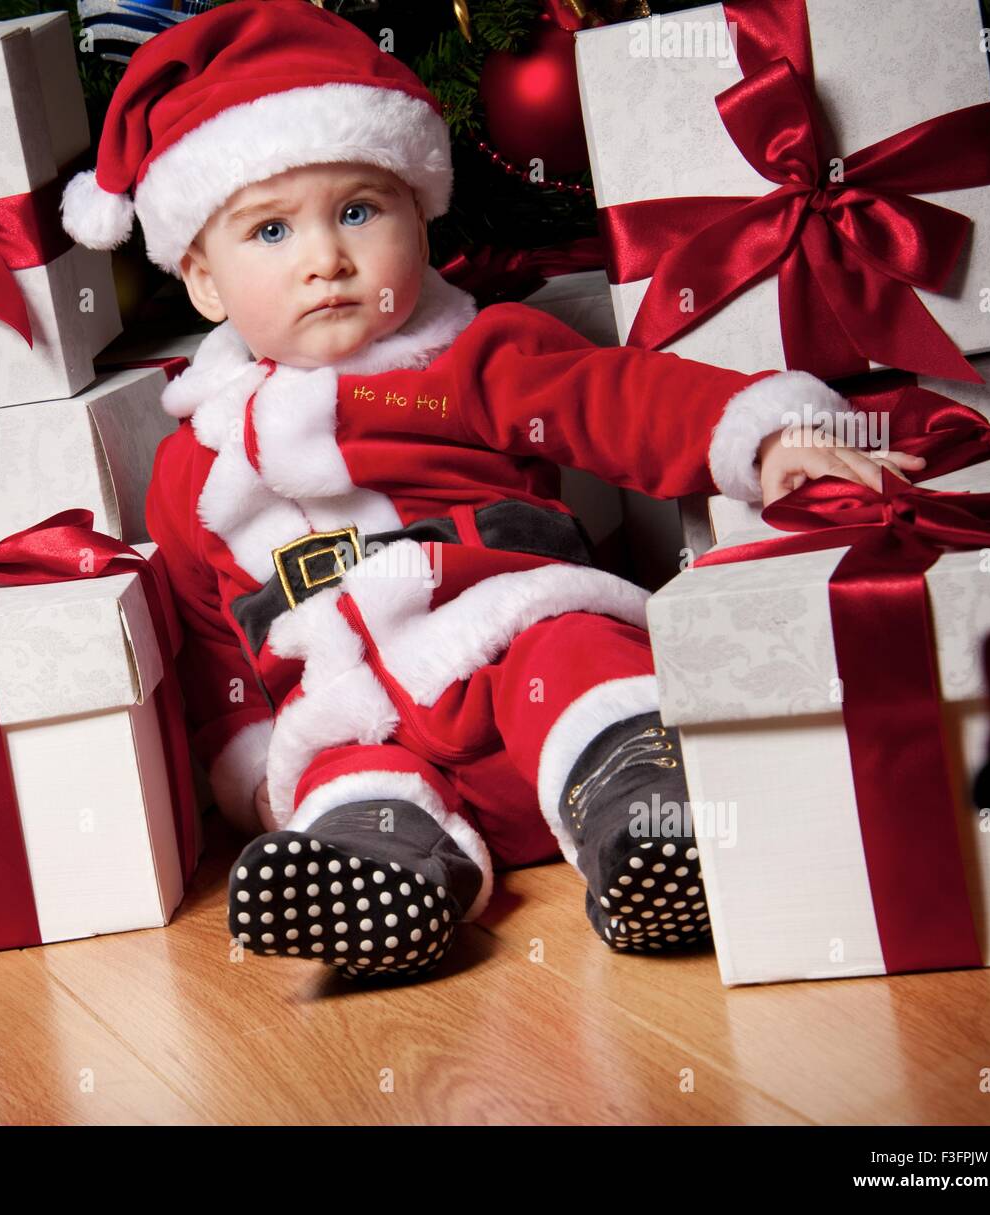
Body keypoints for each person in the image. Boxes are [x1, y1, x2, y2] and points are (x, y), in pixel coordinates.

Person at [63, 0, 924, 980]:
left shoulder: (473, 358)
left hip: (510, 646)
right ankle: (384, 875)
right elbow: (210, 632)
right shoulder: (195, 468)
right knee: (347, 780)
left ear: (418, 218)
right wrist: (252, 757)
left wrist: (758, 433)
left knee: (572, 652)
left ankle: (646, 807)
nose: (325, 259)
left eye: (357, 210)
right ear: (204, 283)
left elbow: (612, 397)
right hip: (359, 711)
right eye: (269, 231)